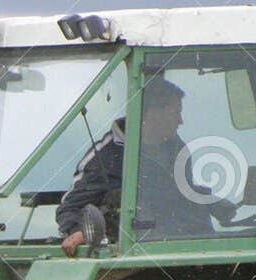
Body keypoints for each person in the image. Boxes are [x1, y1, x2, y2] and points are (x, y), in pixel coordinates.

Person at [57, 78, 233, 255]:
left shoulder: (177, 149)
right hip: (134, 253)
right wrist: (80, 231)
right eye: (175, 113)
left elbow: (177, 193)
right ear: (152, 113)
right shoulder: (105, 157)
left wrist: (210, 201)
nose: (181, 121)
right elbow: (69, 208)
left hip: (186, 247)